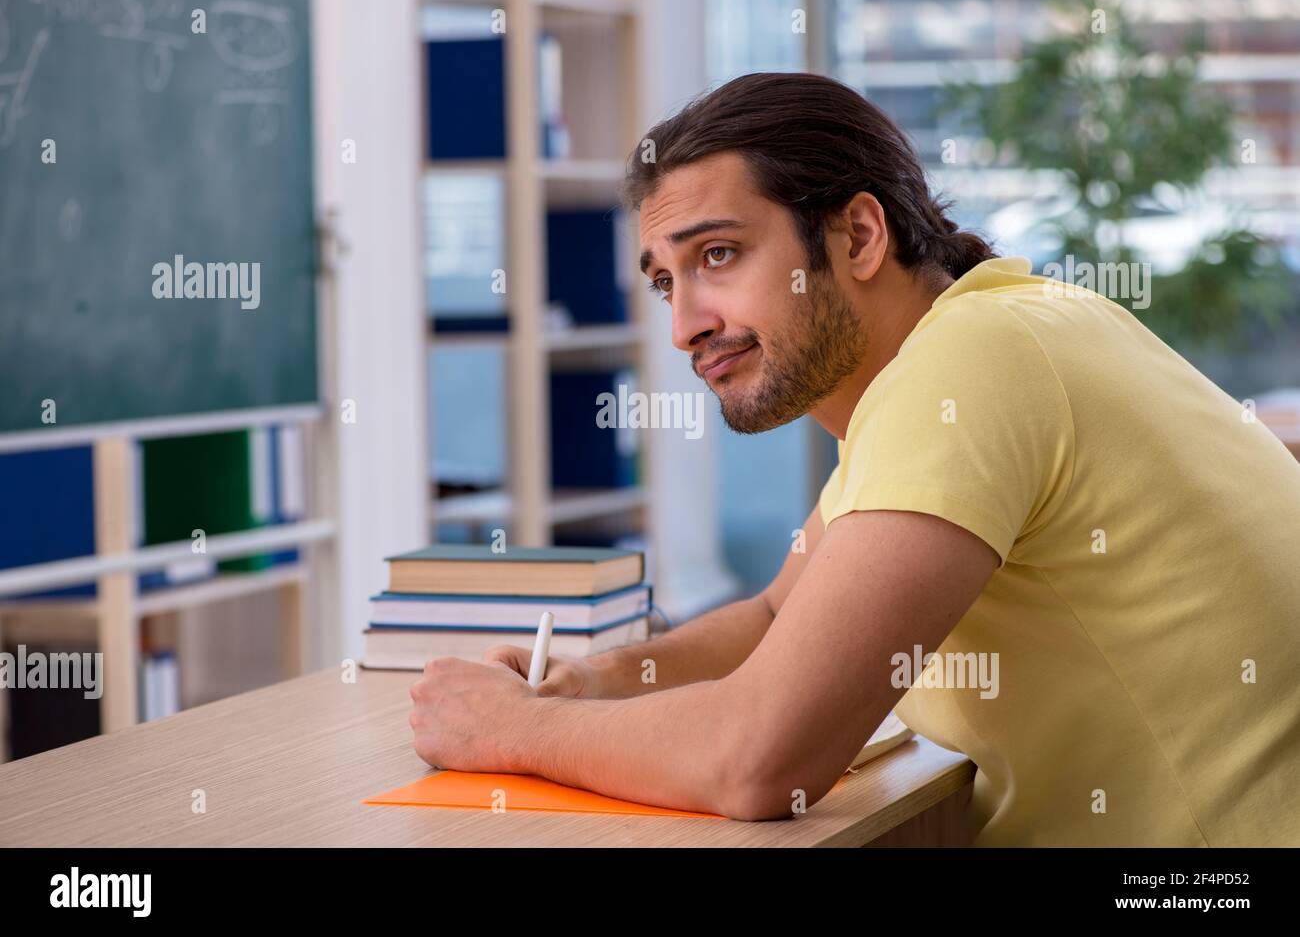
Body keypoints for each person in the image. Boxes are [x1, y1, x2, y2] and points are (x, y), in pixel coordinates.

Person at [408, 72, 1300, 845]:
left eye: (719, 254)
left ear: (860, 237)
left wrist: (513, 730)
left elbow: (765, 762)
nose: (685, 326)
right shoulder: (999, 333)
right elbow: (769, 617)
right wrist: (593, 677)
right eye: (666, 282)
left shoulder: (971, 367)